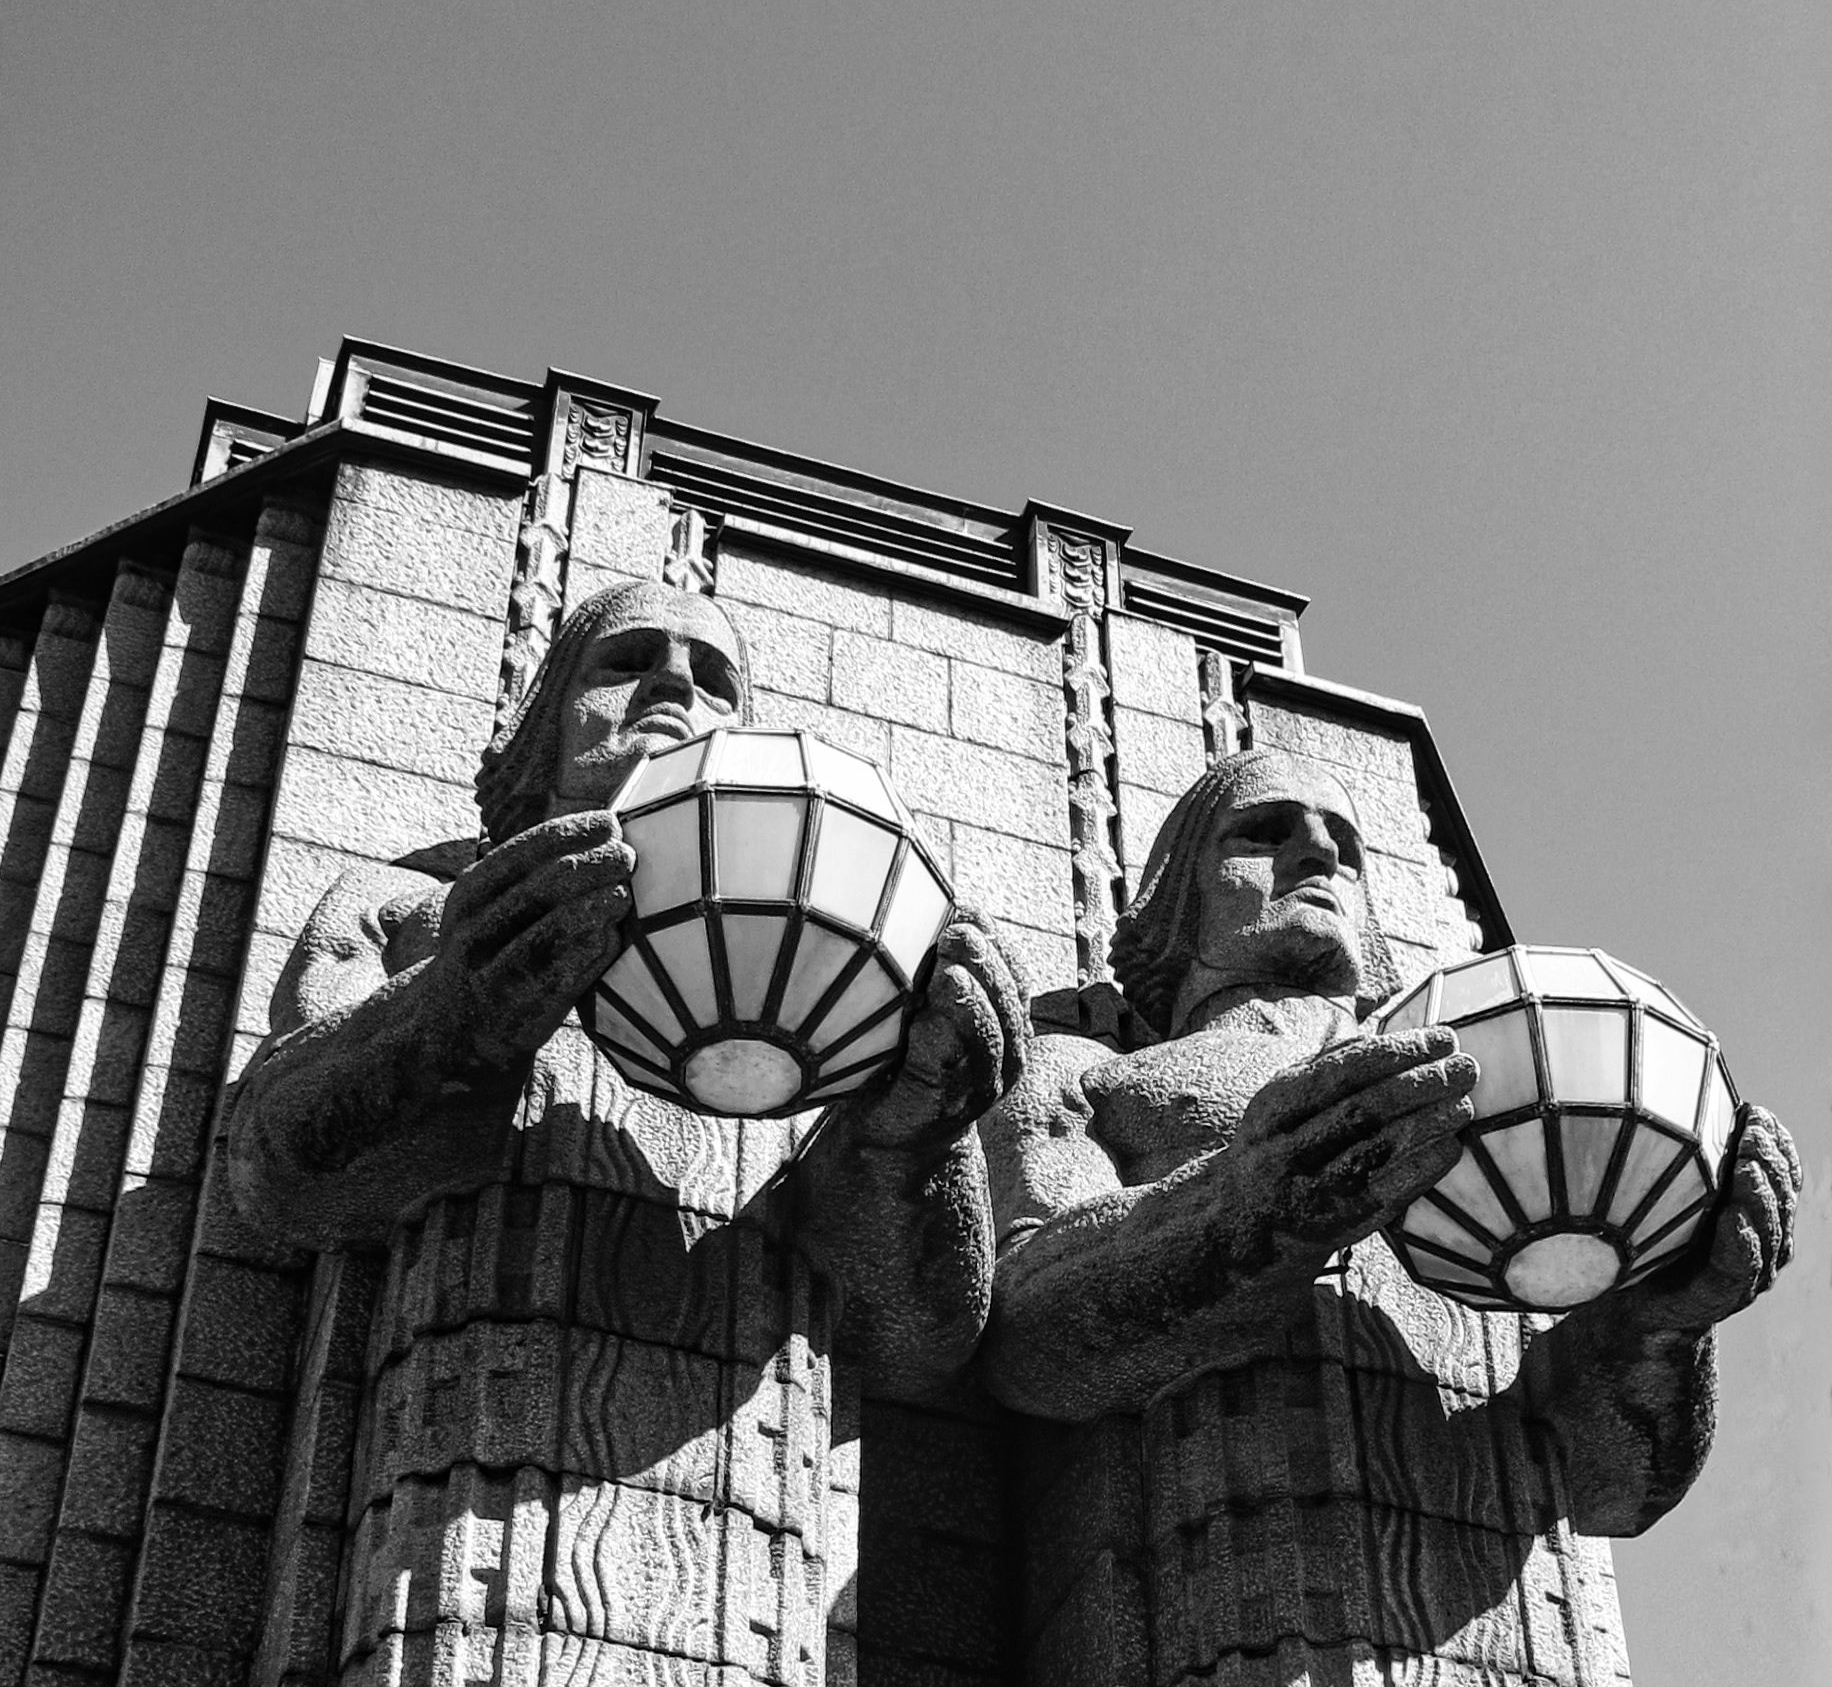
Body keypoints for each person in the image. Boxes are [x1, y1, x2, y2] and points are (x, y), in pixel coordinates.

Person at [228, 572, 1027, 1392]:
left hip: (758, 1465)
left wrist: (913, 1141)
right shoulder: (409, 908)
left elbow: (919, 1340)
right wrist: (450, 1013)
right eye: (628, 659)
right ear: (548, 726)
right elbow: (271, 1170)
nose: (675, 682)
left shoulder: (841, 966)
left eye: (716, 680)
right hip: (452, 1419)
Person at [978, 743, 1796, 1524]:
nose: (1316, 856)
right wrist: (1246, 1211)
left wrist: (1661, 1323)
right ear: (1180, 893)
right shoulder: (1082, 1071)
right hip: (1198, 1578)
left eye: (1346, 847)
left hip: (1489, 1636)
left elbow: (1607, 1490)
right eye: (1264, 833)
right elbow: (1024, 1337)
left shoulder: (1495, 1084)